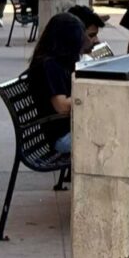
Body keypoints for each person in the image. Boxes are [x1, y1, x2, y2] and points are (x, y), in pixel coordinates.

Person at [26, 12, 86, 154]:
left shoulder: (54, 61)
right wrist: (89, 94)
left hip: (67, 130)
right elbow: (62, 106)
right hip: (61, 137)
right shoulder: (50, 66)